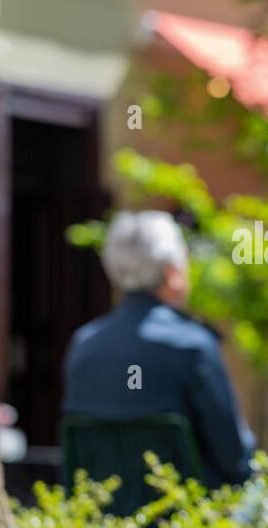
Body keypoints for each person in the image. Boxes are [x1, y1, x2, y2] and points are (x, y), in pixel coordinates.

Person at [62, 210, 257, 491]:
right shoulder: (194, 345)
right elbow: (235, 459)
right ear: (171, 272)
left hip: (102, 519)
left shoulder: (83, 345)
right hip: (189, 520)